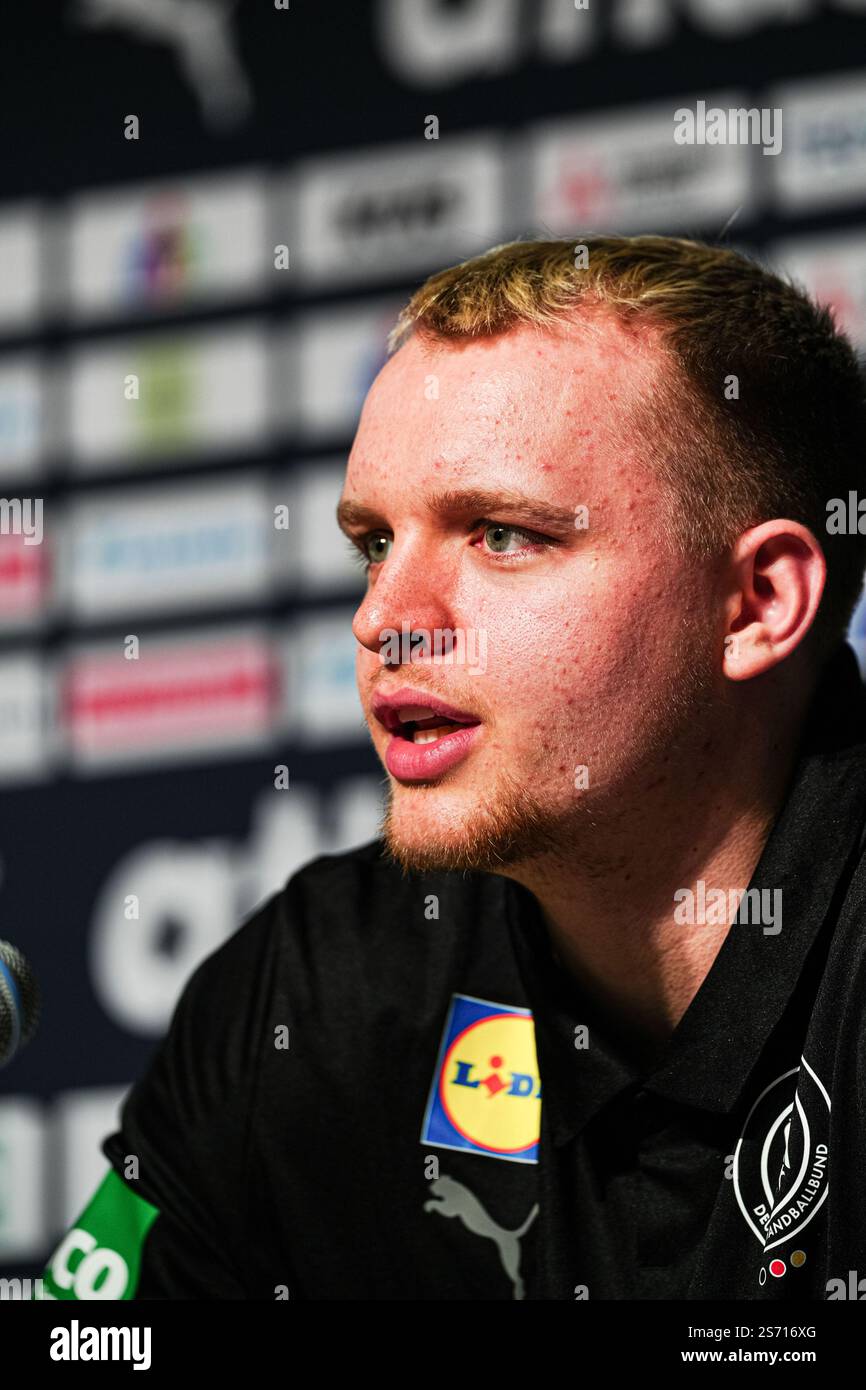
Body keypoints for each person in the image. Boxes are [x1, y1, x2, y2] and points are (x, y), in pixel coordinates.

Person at [39, 235, 866, 1300]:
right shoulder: (319, 988)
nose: (383, 618)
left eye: (503, 536)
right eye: (373, 542)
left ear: (756, 604)